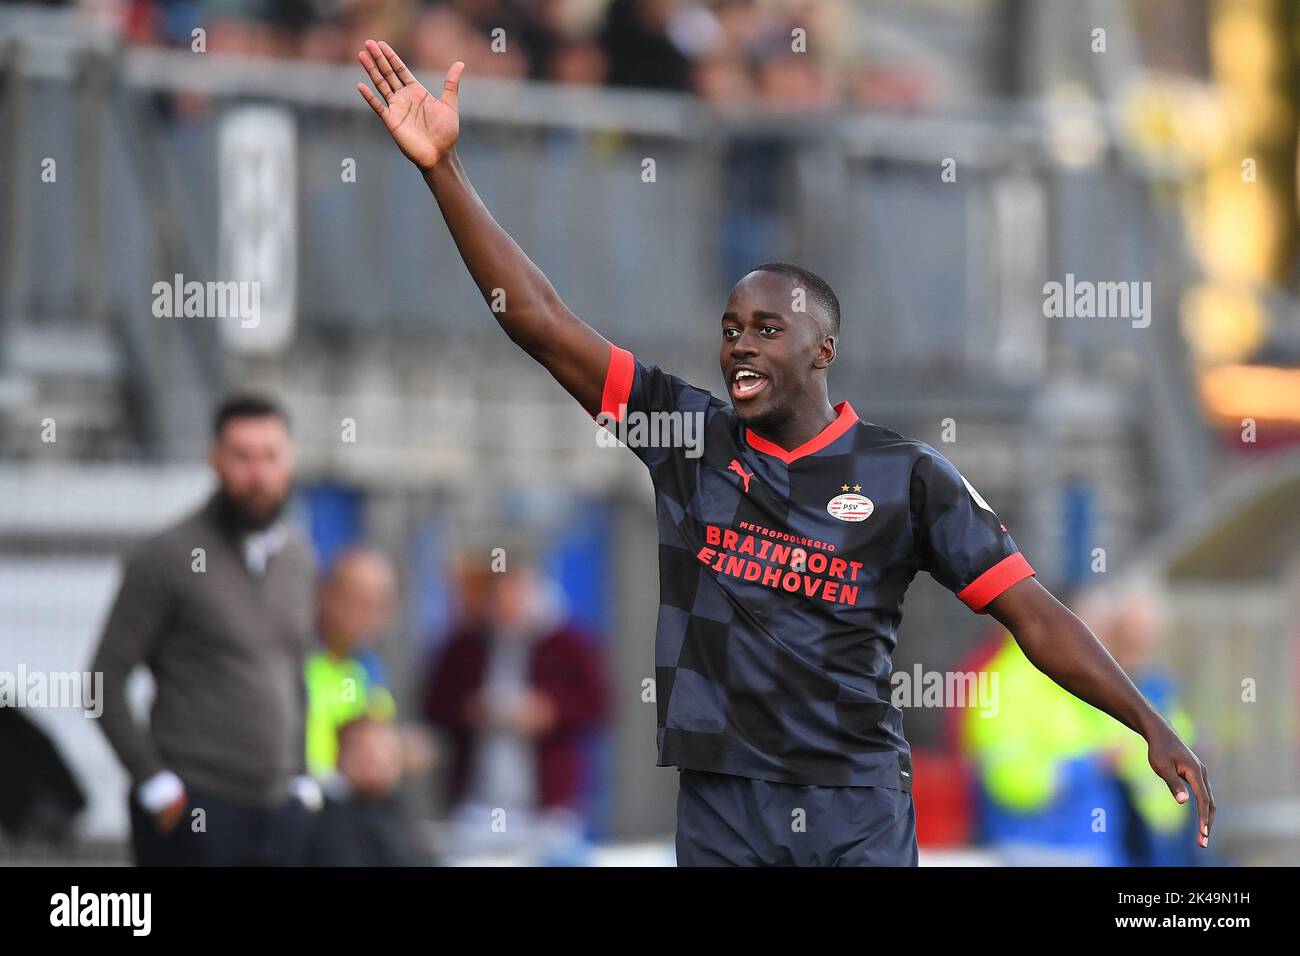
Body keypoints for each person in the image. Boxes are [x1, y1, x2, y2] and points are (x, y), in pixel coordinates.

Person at [353, 41, 1214, 866]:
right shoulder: (685, 439)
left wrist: (1145, 721)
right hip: (725, 798)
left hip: (854, 802)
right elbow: (537, 317)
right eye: (730, 329)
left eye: (768, 329)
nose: (740, 347)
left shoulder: (908, 478)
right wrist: (443, 171)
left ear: (822, 350)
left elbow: (1036, 617)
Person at [90, 395, 319, 866]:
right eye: (242, 456)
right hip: (197, 805)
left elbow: (293, 670)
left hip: (277, 810)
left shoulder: (297, 557)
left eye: (270, 456)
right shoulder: (168, 556)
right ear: (215, 459)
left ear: (290, 460)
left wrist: (301, 776)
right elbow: (103, 680)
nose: (257, 473)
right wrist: (154, 780)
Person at [424, 561, 609, 861]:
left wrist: (551, 712)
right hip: (477, 803)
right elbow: (433, 705)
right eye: (496, 597)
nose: (504, 606)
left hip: (548, 805)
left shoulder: (566, 644)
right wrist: (469, 711)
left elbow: (599, 703)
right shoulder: (463, 646)